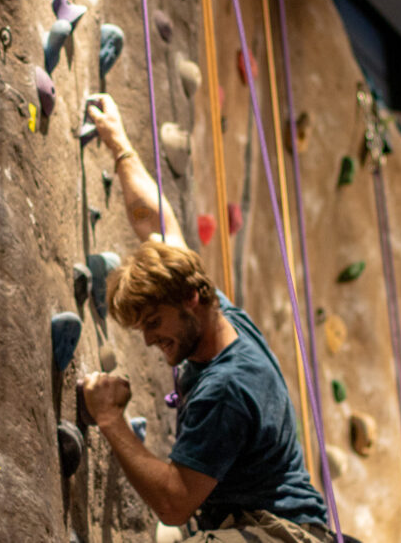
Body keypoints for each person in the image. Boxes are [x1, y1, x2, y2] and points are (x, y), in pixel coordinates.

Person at [79, 94, 346, 543]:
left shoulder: (226, 388)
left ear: (190, 299)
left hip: (279, 533)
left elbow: (174, 501)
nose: (148, 340)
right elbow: (157, 225)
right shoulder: (219, 313)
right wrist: (120, 145)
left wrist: (109, 420)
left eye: (153, 322)